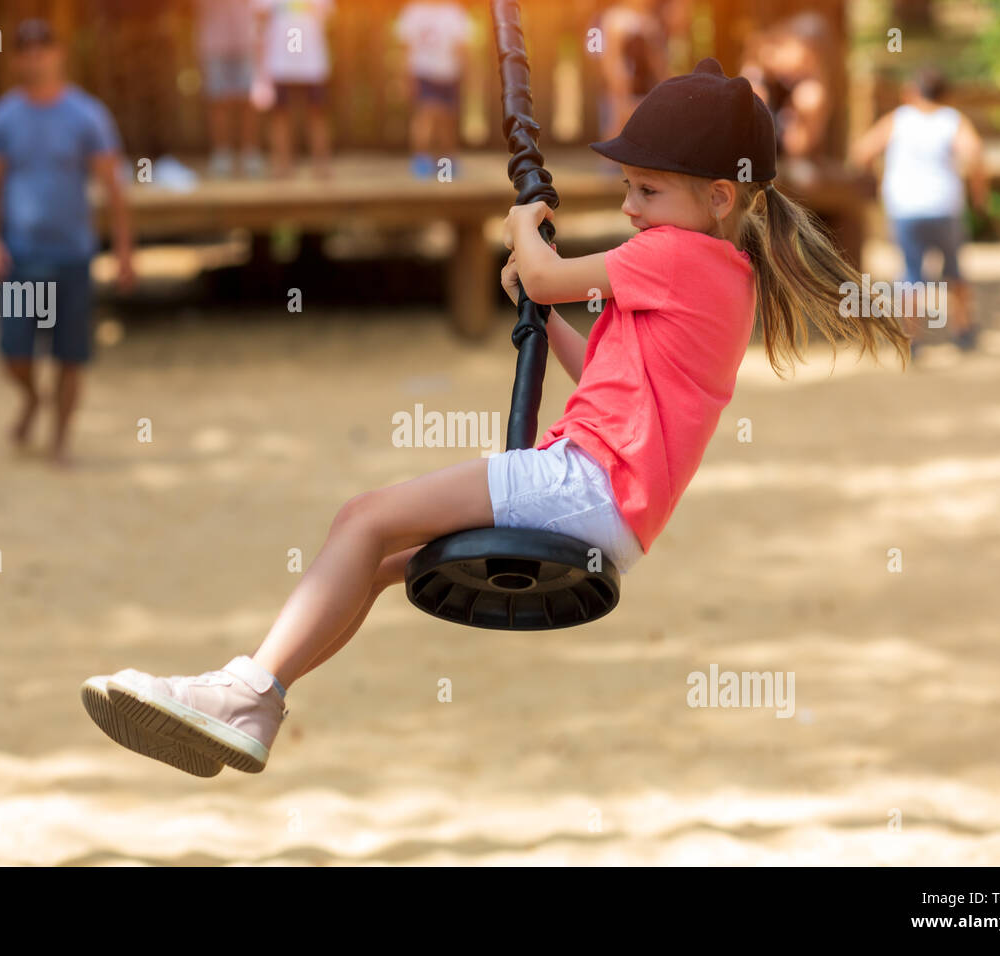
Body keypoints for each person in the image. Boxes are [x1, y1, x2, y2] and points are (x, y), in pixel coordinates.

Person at [80, 59, 908, 777]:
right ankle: (261, 701)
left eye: (647, 189)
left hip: (581, 483)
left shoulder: (676, 253)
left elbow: (548, 273)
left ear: (719, 197)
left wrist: (523, 233)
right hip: (611, 513)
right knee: (379, 557)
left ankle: (243, 690)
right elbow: (607, 378)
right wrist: (543, 320)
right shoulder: (719, 275)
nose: (629, 207)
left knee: (361, 518)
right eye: (627, 188)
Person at [0, 19, 135, 465]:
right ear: (17, 58)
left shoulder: (87, 116)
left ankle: (60, 441)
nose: (36, 56)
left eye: (43, 47)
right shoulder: (0, 119)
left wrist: (123, 250)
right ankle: (30, 397)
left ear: (58, 53)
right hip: (20, 254)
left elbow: (113, 186)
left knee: (71, 355)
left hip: (73, 254)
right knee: (14, 353)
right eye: (26, 49)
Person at [849, 67, 988, 357]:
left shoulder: (898, 119)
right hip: (945, 206)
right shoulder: (953, 120)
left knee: (911, 274)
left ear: (912, 91)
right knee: (953, 270)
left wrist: (875, 185)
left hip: (905, 207)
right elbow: (974, 154)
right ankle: (963, 330)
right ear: (945, 94)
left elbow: (862, 152)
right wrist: (978, 195)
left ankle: (913, 339)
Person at [252, 0, 334, 179]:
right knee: (280, 115)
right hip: (278, 63)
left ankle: (322, 166)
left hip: (313, 63)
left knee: (317, 114)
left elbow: (327, 16)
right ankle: (282, 166)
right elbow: (259, 21)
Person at [739, 12, 833, 165]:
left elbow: (797, 146)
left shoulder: (808, 91)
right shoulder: (758, 71)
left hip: (783, 154)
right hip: (753, 153)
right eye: (803, 59)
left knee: (810, 97)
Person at [394, 1, 473, 179]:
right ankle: (421, 164)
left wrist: (466, 73)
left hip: (449, 73)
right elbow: (405, 48)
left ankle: (446, 166)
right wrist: (405, 77)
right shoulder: (413, 11)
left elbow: (462, 47)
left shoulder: (454, 11)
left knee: (447, 120)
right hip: (422, 72)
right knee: (425, 117)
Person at [196, 0, 263, 178]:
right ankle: (222, 155)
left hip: (248, 41)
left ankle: (250, 154)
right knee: (217, 101)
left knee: (250, 100)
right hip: (214, 43)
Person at [597, 0, 669, 142]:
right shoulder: (615, 18)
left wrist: (665, 86)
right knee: (616, 135)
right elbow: (611, 59)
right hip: (623, 92)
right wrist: (621, 94)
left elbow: (657, 61)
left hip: (645, 90)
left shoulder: (650, 20)